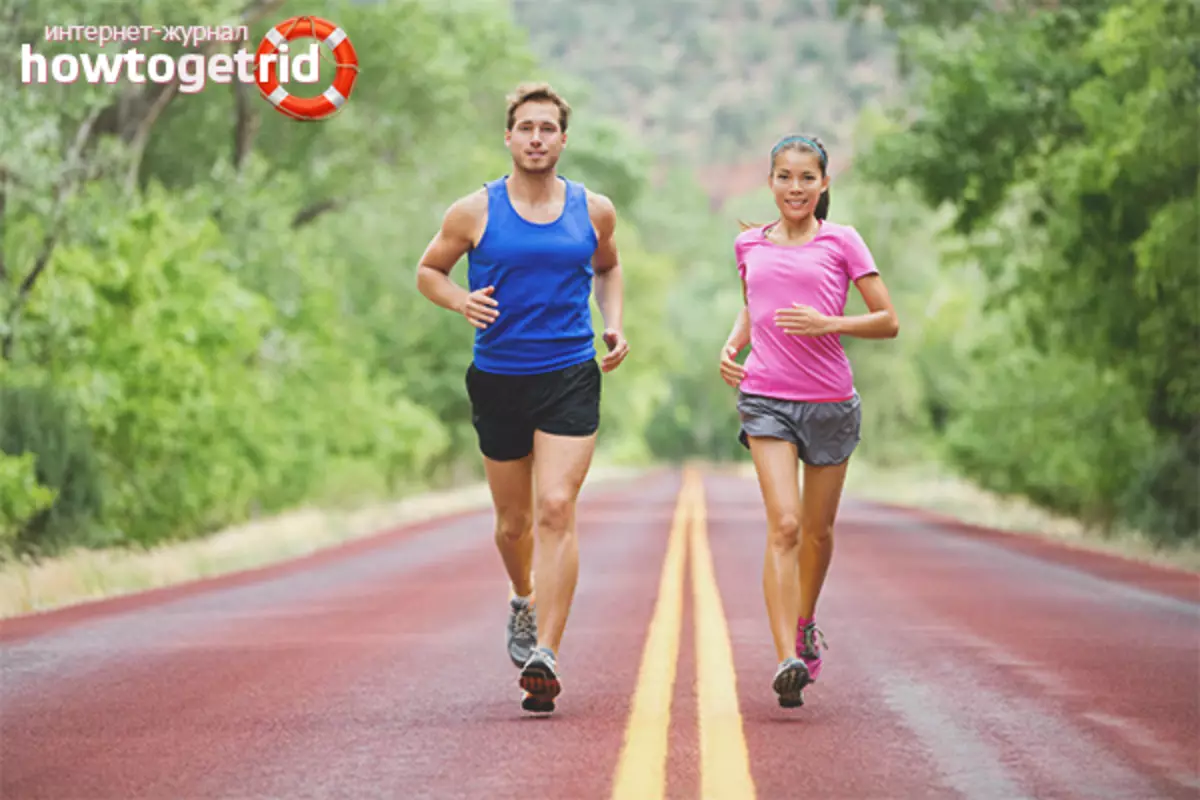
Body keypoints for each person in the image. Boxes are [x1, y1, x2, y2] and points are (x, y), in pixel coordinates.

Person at [415, 81, 629, 714]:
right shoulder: (473, 212)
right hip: (500, 377)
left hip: (568, 371)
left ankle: (547, 651)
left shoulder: (593, 210)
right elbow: (429, 271)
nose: (537, 138)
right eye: (526, 128)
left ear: (564, 140)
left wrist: (612, 321)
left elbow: (608, 267)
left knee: (557, 506)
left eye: (548, 129)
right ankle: (521, 598)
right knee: (514, 524)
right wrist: (461, 300)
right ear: (508, 137)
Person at [718, 133, 898, 708]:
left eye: (806, 178)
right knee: (786, 525)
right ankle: (785, 659)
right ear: (770, 182)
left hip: (829, 403)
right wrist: (734, 342)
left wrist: (830, 325)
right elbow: (756, 302)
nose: (794, 187)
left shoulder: (842, 242)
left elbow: (887, 320)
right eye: (784, 176)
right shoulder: (749, 243)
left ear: (823, 185)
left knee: (818, 533)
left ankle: (805, 620)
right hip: (766, 396)